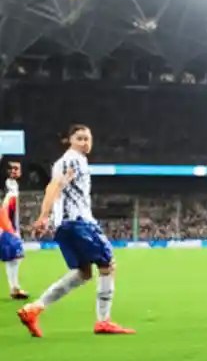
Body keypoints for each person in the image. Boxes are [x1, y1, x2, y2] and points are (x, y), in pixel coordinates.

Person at [17, 125, 134, 337]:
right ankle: (104, 321)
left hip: (64, 225)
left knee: (84, 272)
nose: (85, 142)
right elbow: (54, 187)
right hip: (80, 222)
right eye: (79, 138)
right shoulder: (73, 160)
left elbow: (54, 187)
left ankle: (33, 309)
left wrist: (48, 217)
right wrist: (43, 216)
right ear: (70, 140)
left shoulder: (63, 162)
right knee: (108, 265)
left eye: (88, 139)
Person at [2, 160, 26, 300]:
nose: (16, 171)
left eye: (18, 168)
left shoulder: (14, 186)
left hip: (10, 227)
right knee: (15, 257)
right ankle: (14, 288)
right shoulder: (7, 185)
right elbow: (4, 209)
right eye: (13, 168)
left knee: (14, 258)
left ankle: (14, 288)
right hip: (6, 227)